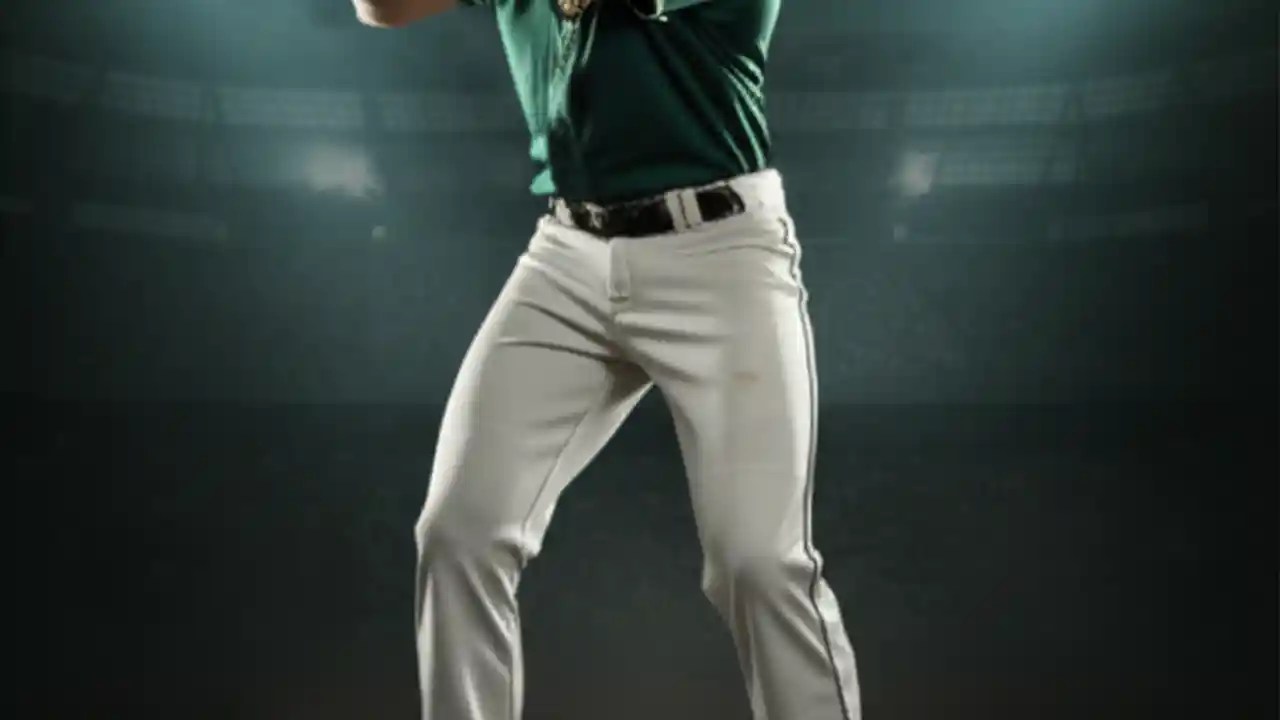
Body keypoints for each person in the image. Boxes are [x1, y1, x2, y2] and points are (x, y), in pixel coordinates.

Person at [351, 0, 862, 717]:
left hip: (721, 249)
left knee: (758, 563)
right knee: (459, 531)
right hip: (569, 250)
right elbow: (383, 8)